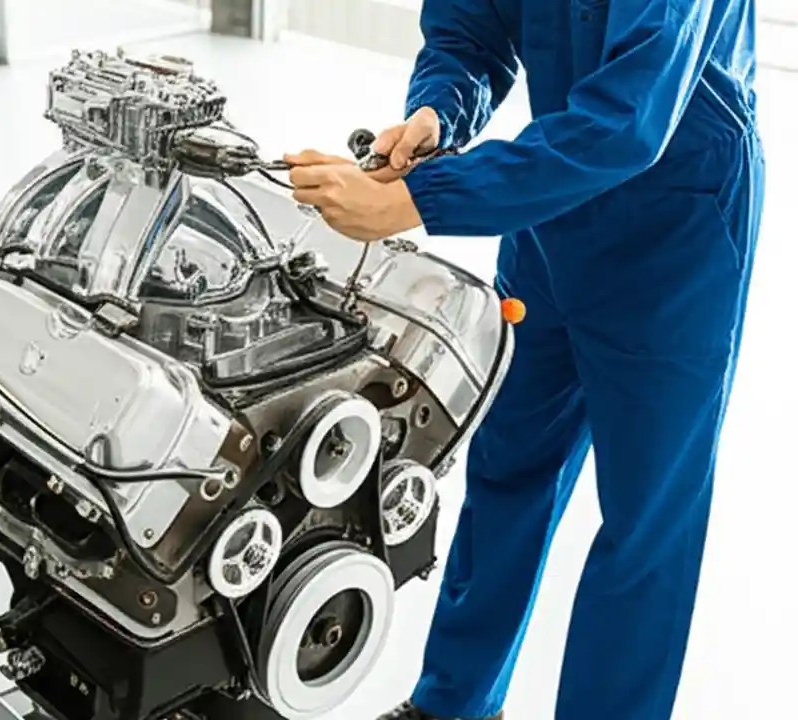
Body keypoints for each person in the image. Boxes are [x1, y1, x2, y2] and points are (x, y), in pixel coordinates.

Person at [283, 0, 765, 717]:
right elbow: (470, 27)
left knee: (646, 519)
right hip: (551, 208)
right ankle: (454, 704)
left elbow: (629, 117)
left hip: (675, 231)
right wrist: (439, 114)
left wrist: (421, 200)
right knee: (508, 467)